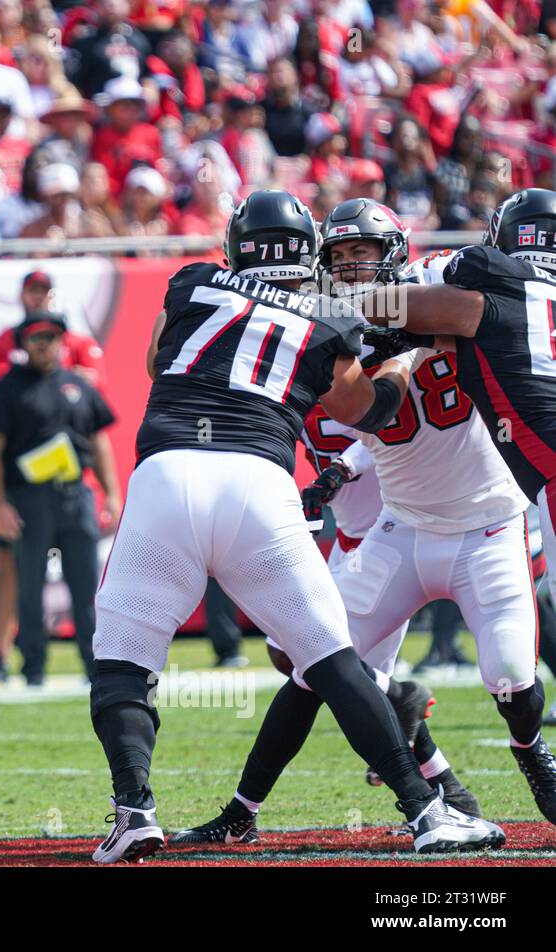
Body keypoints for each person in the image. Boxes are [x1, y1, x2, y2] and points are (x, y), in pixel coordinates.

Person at [89, 189, 503, 863]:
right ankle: (428, 811)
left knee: (122, 657)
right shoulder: (325, 315)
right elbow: (366, 411)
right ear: (307, 251)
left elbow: (156, 361)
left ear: (236, 247)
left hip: (166, 474)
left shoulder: (193, 282)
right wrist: (405, 358)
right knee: (332, 659)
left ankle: (135, 810)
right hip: (259, 482)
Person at [353, 187, 556, 824]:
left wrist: (335, 301)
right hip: (411, 518)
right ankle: (437, 772)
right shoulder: (510, 294)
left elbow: (418, 306)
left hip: (497, 508)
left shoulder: (486, 287)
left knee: (510, 667)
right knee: (322, 654)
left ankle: (521, 750)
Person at [0, 310, 120, 686]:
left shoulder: (79, 385)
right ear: (24, 344)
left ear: (62, 341)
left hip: (75, 494)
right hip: (28, 499)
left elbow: (99, 441)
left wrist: (112, 494)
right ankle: (33, 666)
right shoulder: (8, 388)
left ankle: (95, 664)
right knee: (29, 585)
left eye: (52, 337)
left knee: (87, 585)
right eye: (37, 338)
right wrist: (0, 503)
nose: (44, 344)